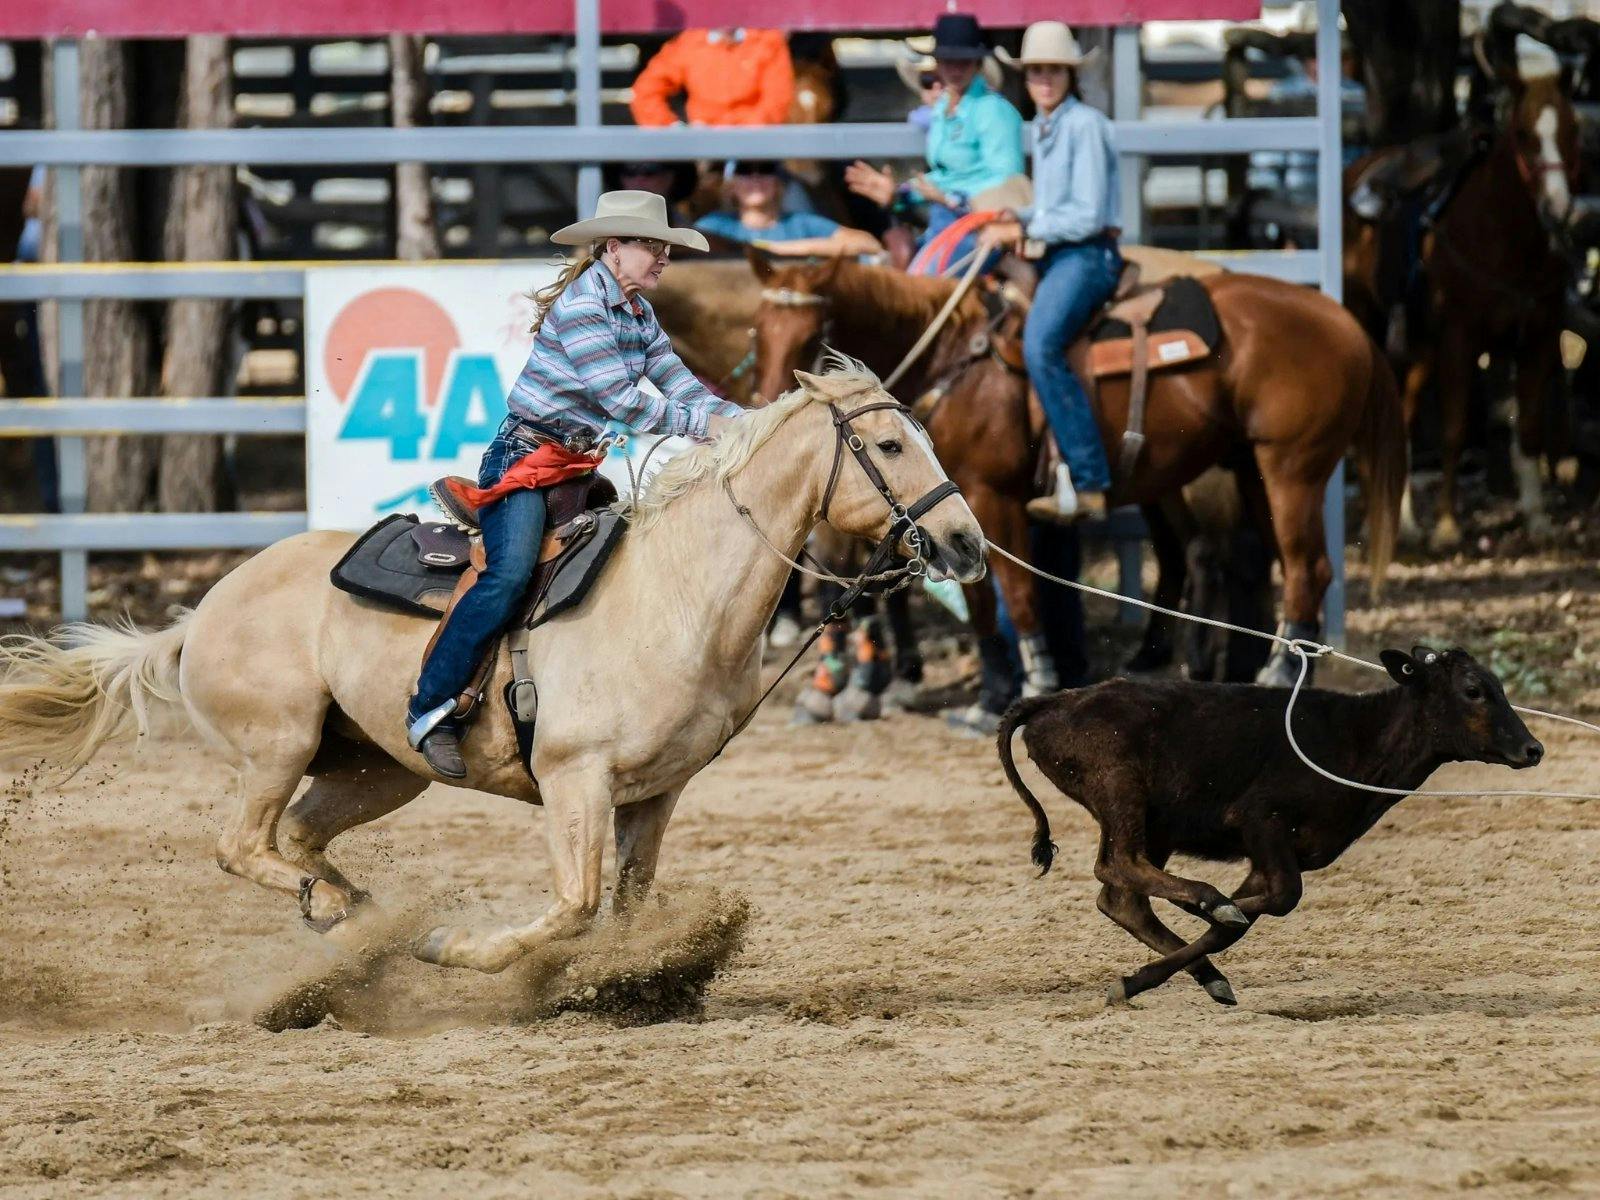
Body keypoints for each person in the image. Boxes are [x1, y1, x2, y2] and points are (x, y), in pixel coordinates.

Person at [406, 191, 742, 777]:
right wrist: (705, 424)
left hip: (572, 464)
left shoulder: (638, 313)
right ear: (615, 248)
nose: (663, 258)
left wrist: (751, 425)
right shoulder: (585, 307)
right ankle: (431, 707)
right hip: (524, 460)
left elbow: (679, 384)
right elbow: (622, 400)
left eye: (666, 249)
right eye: (654, 247)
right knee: (508, 574)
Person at [980, 22, 1122, 523]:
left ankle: (1088, 478)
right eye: (1036, 69)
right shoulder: (1045, 125)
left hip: (1086, 254)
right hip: (1060, 251)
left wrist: (1025, 223)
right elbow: (1053, 204)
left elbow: (1085, 214)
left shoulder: (1083, 124)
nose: (1044, 78)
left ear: (1069, 74)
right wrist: (1015, 218)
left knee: (1040, 342)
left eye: (1053, 70)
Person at [845, 13, 1024, 272]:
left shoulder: (993, 110)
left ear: (977, 63)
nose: (955, 68)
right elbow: (945, 177)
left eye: (963, 60)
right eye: (948, 60)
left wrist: (950, 199)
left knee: (918, 285)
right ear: (938, 62)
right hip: (945, 224)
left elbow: (1006, 180)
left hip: (981, 228)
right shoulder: (943, 111)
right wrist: (899, 195)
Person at [696, 160, 882, 257]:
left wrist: (780, 249)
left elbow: (868, 244)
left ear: (779, 183)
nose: (756, 178)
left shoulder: (801, 224)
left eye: (765, 170)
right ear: (731, 186)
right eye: (744, 171)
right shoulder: (714, 225)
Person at [630, 28, 795, 128]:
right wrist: (673, 130)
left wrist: (745, 132)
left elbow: (777, 99)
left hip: (756, 150)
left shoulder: (767, 41)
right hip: (702, 147)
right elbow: (646, 92)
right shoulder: (690, 42)